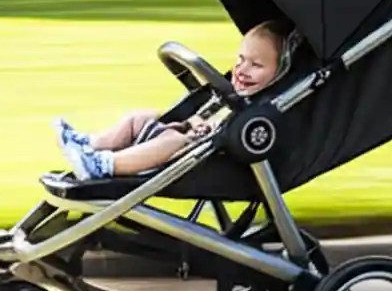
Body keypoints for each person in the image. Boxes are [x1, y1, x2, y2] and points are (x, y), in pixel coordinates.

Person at [55, 20, 292, 180]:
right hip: (184, 139)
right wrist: (189, 123)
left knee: (174, 140)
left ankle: (103, 165)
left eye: (256, 65)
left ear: (279, 74)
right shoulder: (231, 93)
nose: (242, 70)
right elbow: (203, 117)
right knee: (140, 118)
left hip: (200, 158)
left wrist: (198, 131)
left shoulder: (261, 109)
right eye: (240, 59)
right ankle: (90, 145)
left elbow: (227, 133)